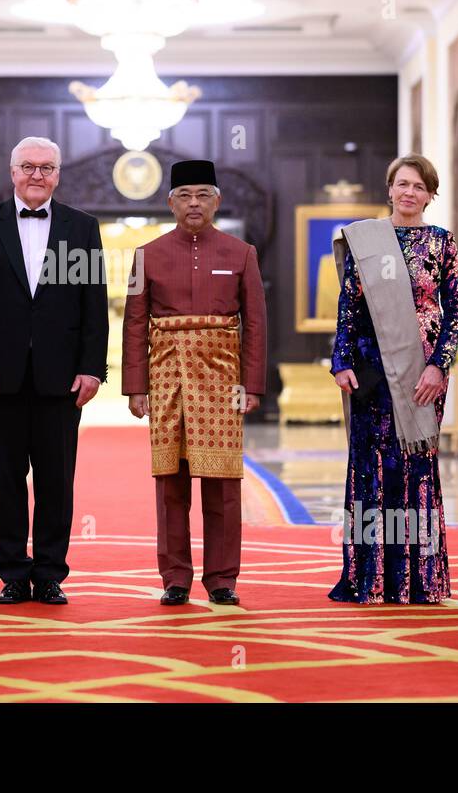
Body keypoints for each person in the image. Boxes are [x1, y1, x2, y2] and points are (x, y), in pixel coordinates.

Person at [0, 136, 109, 605]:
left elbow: (93, 304)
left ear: (58, 175)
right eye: (28, 167)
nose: (37, 175)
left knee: (57, 479)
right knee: (4, 479)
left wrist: (92, 368)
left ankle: (50, 572)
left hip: (61, 379)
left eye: (46, 167)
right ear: (12, 171)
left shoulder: (82, 228)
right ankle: (13, 574)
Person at [123, 160, 267, 606]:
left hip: (223, 380)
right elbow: (134, 322)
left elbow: (256, 323)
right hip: (166, 377)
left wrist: (254, 385)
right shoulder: (145, 254)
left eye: (203, 194)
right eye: (184, 195)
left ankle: (223, 578)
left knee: (223, 482)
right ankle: (175, 577)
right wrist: (135, 386)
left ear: (217, 201)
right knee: (171, 481)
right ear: (170, 203)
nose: (193, 204)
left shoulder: (242, 253)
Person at [330, 154, 458, 604]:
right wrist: (342, 360)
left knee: (416, 465)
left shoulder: (443, 244)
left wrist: (438, 366)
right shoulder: (365, 240)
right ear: (389, 188)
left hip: (420, 371)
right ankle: (368, 576)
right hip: (371, 369)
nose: (410, 192)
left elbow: (456, 313)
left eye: (419, 186)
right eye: (402, 184)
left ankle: (419, 578)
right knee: (370, 467)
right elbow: (347, 308)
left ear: (430, 195)